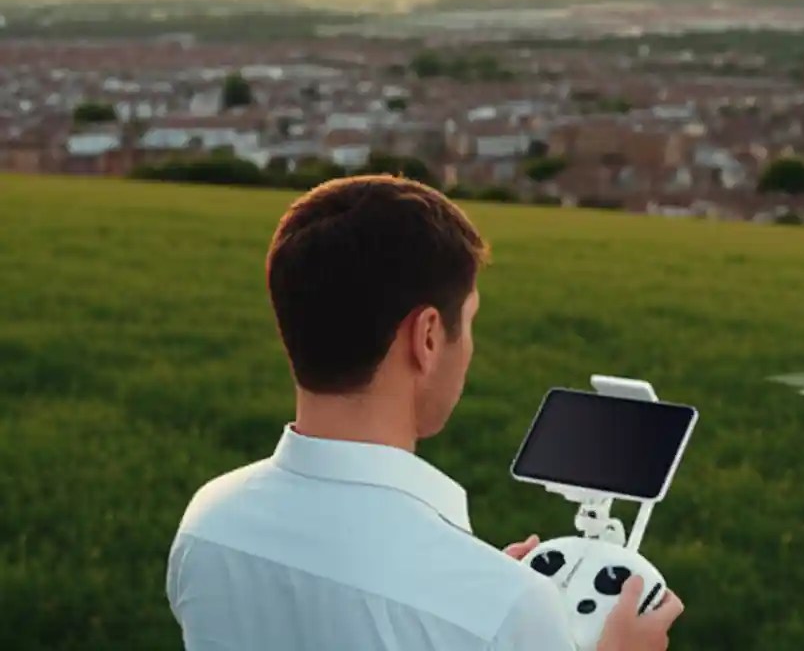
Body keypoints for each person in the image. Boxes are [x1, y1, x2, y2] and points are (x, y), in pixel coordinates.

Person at [165, 175, 684, 650]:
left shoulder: (208, 524)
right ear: (428, 336)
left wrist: (481, 586)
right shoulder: (509, 608)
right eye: (470, 322)